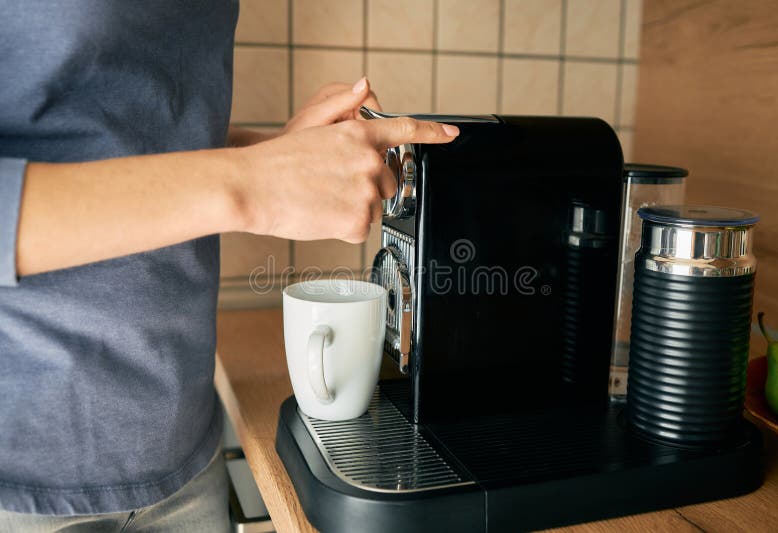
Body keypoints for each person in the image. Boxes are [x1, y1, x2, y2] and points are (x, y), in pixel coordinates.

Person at [0, 2, 459, 531]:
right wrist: (249, 183)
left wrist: (275, 156)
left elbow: (126, 131)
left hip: (185, 455)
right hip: (21, 481)